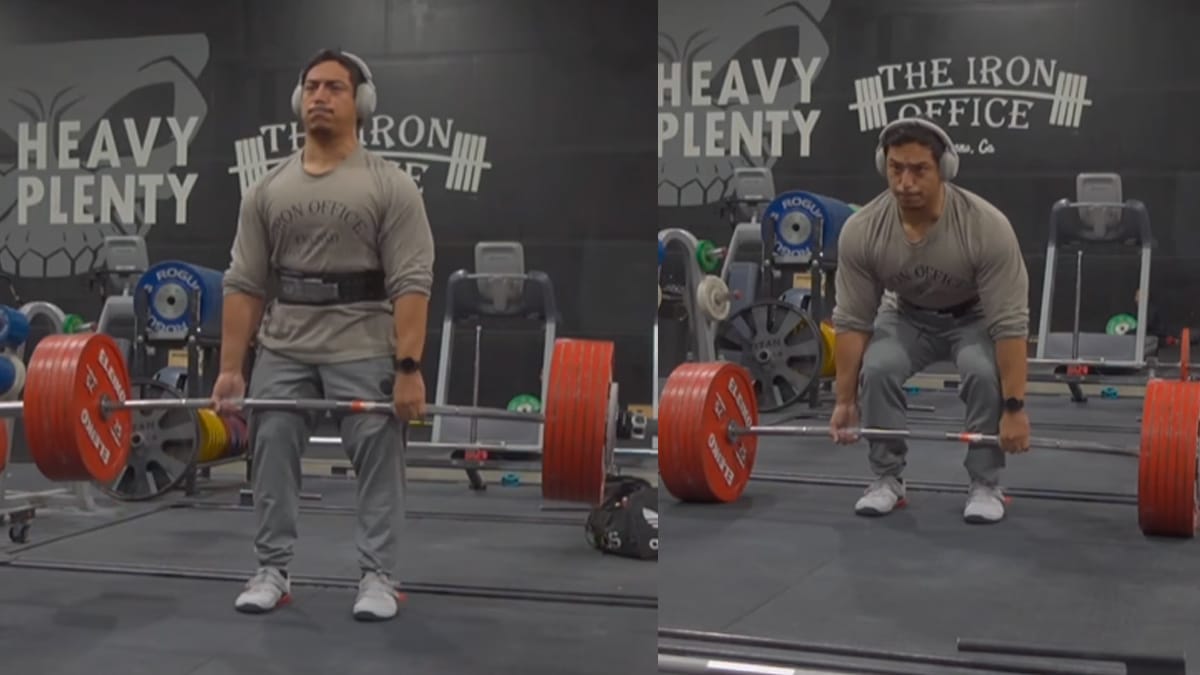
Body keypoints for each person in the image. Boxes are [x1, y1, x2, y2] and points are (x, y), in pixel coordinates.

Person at [214, 48, 435, 620]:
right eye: (311, 86)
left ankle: (379, 577)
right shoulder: (267, 189)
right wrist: (231, 369)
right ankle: (272, 571)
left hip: (363, 341)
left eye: (335, 87)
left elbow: (412, 282)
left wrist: (408, 370)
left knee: (380, 456)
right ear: (297, 99)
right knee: (270, 448)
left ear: (360, 103)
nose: (319, 96)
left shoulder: (391, 185)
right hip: (285, 343)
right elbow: (244, 282)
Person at [829, 116, 1031, 524]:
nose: (905, 182)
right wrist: (845, 400)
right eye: (896, 168)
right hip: (905, 315)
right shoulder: (863, 230)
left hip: (973, 316)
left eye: (919, 170)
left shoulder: (985, 226)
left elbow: (1009, 324)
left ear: (944, 169)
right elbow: (852, 321)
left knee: (980, 371)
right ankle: (887, 479)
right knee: (880, 367)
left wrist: (1015, 408)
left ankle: (986, 483)